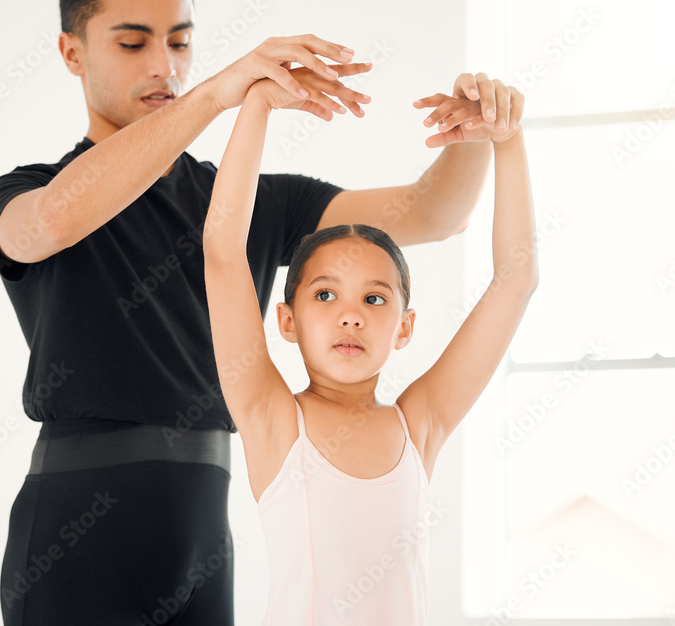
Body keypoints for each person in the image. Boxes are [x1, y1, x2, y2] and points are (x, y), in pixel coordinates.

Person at [0, 0, 520, 626]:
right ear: (72, 52)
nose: (164, 65)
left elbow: (432, 214)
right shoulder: (29, 189)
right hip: (74, 528)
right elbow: (46, 225)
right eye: (133, 42)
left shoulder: (247, 201)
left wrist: (473, 132)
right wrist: (217, 96)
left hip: (202, 525)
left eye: (180, 42)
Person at [202, 74, 536, 625]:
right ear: (286, 320)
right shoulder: (274, 419)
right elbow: (222, 251)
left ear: (404, 328)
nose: (350, 314)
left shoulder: (419, 424)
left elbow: (516, 279)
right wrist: (258, 104)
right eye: (325, 293)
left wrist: (507, 138)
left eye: (374, 298)